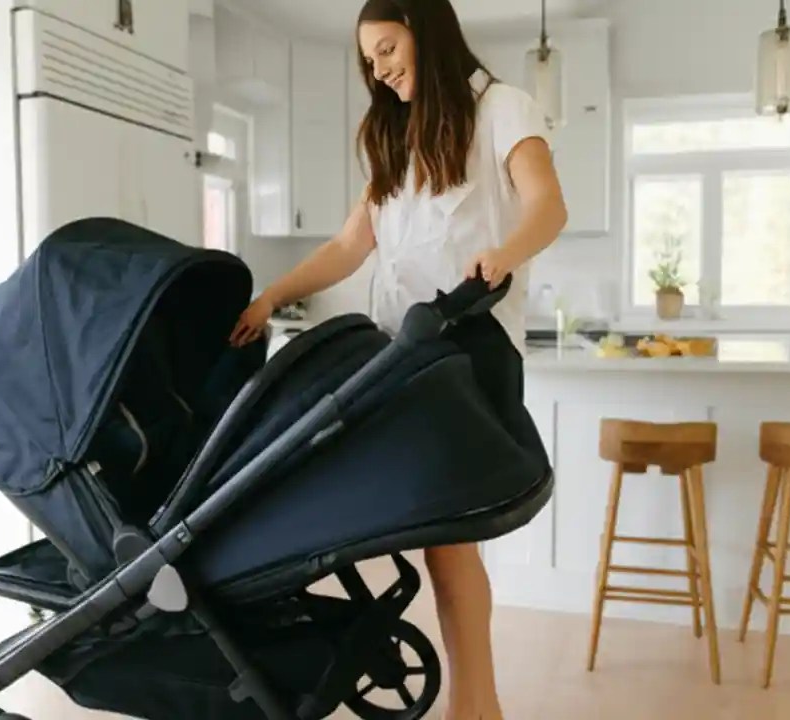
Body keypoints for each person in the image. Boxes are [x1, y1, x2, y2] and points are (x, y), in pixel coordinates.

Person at [229, 0, 567, 717]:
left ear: (424, 25)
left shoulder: (502, 106)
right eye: (370, 60)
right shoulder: (396, 138)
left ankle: (476, 707)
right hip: (401, 359)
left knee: (448, 545)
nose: (379, 71)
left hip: (467, 352)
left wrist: (502, 255)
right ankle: (476, 705)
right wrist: (271, 298)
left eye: (387, 49)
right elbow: (351, 246)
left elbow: (548, 206)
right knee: (437, 546)